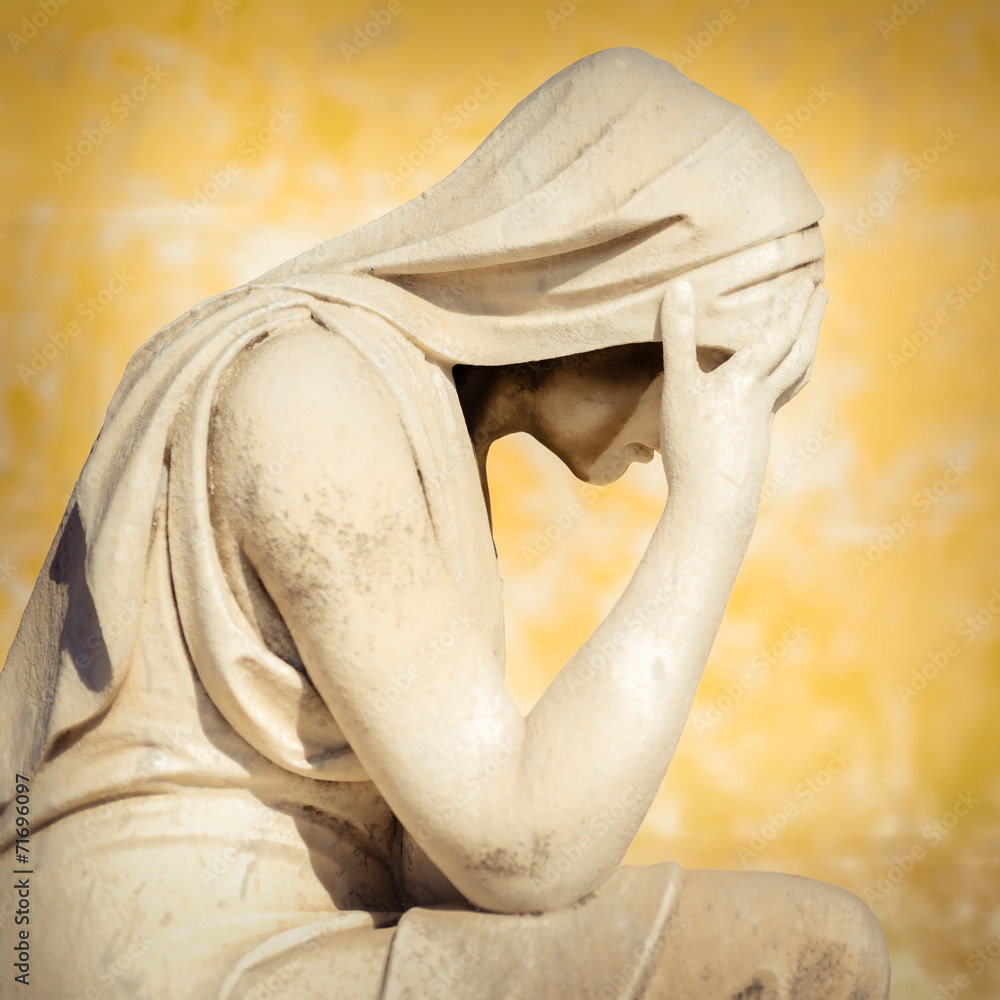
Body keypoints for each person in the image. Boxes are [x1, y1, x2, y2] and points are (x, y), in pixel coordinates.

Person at [0, 47, 889, 999]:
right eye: (718, 377)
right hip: (164, 957)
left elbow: (454, 871)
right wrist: (712, 511)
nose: (696, 432)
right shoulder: (310, 392)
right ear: (620, 293)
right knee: (808, 953)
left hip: (304, 933)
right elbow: (521, 853)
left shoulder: (421, 425)